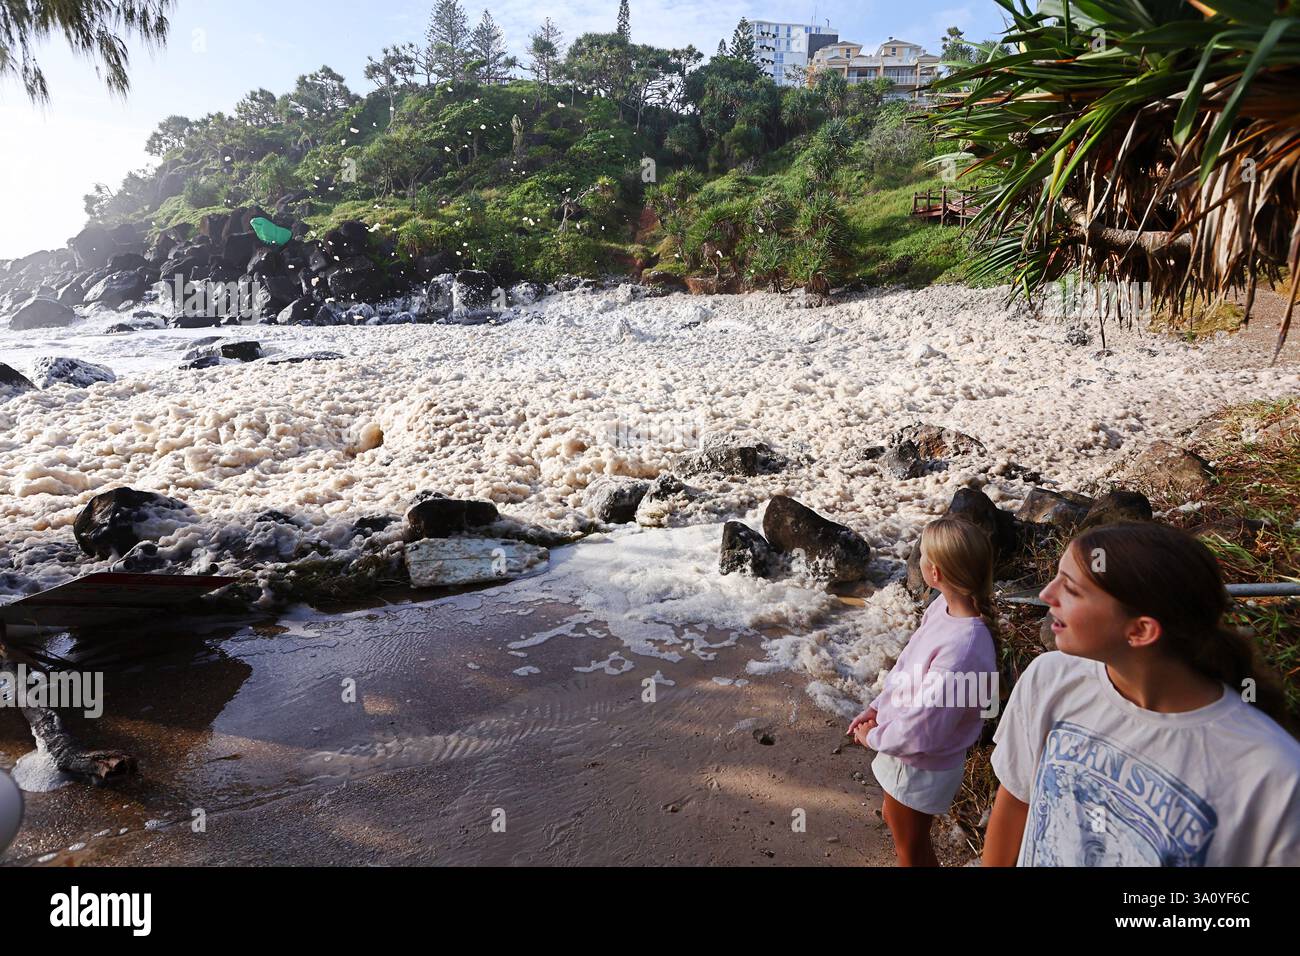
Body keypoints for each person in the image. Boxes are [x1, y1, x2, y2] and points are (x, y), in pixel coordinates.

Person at [983, 521, 1300, 866]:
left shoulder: (1274, 776)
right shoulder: (1050, 679)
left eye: (1071, 589)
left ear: (1140, 630)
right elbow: (1015, 805)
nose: (1046, 594)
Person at [847, 516, 999, 865]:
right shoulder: (941, 608)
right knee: (896, 820)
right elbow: (907, 665)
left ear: (936, 573)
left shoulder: (963, 648)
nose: (921, 562)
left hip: (918, 763)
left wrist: (874, 738)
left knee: (911, 850)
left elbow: (924, 729)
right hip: (903, 744)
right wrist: (877, 708)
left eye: (924, 556)